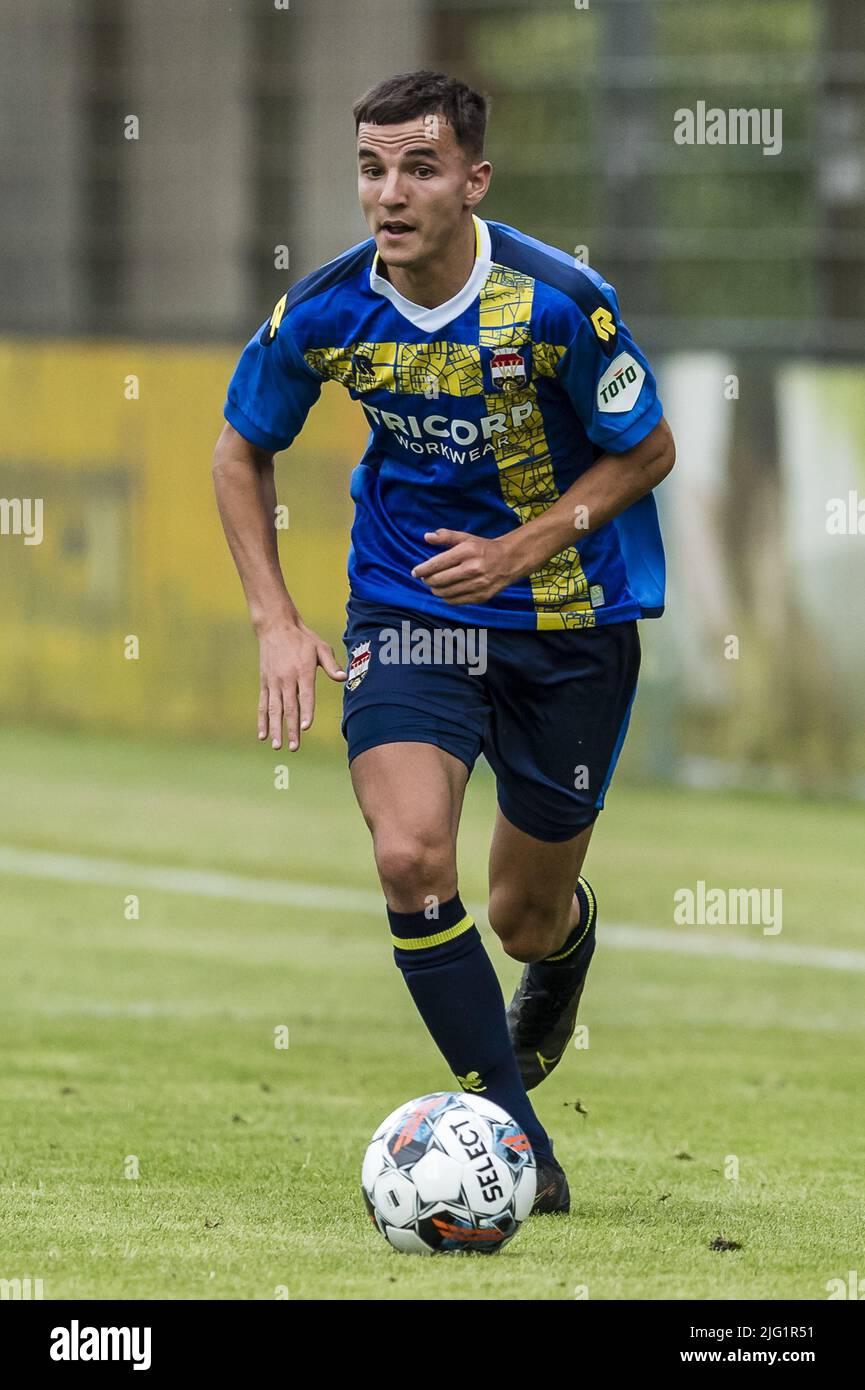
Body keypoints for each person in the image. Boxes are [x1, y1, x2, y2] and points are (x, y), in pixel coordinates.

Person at [212, 69, 675, 1216]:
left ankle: (561, 957)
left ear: (473, 179)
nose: (389, 193)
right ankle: (515, 1139)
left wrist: (524, 546)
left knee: (522, 913)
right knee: (411, 857)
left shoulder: (558, 300)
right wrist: (275, 615)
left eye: (418, 168)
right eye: (372, 169)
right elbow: (237, 450)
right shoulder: (323, 310)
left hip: (570, 620)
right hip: (409, 607)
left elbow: (649, 449)